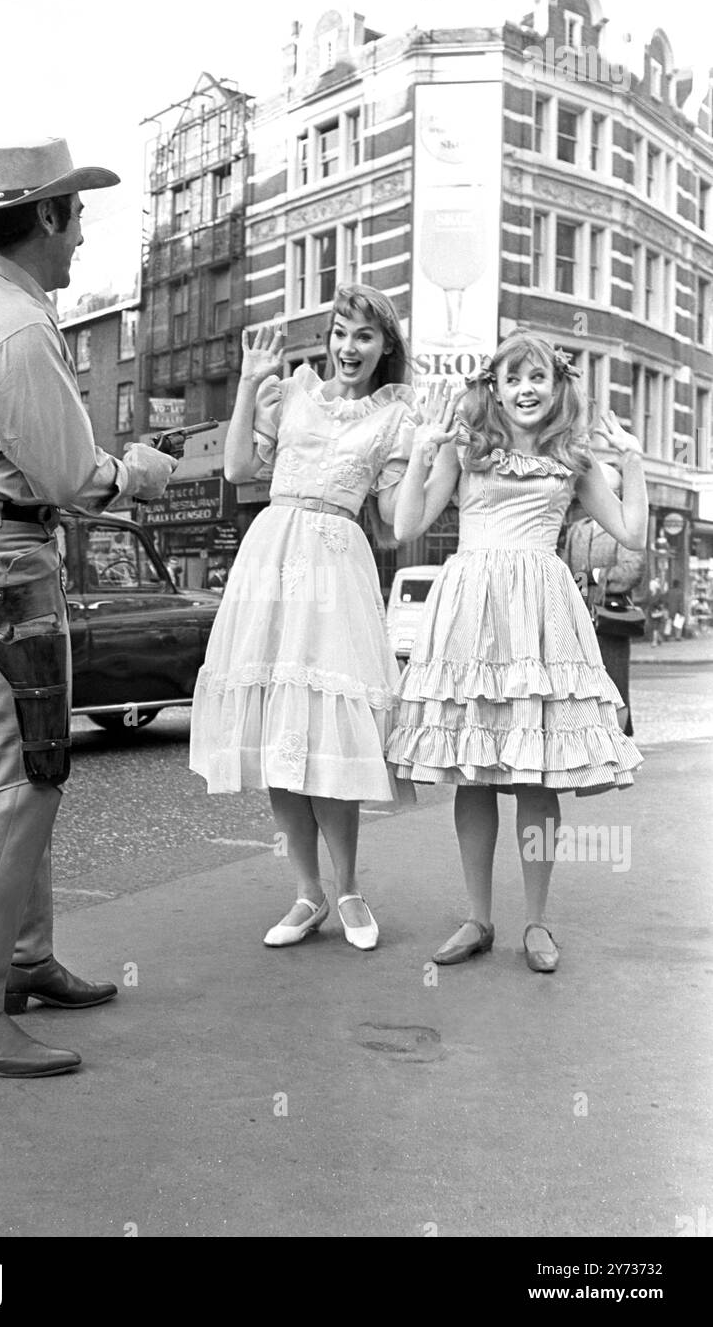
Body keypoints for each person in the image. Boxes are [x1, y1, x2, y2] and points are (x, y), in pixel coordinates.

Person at [0, 138, 178, 1077]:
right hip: (2, 566)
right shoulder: (16, 325)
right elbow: (68, 472)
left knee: (12, 761)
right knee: (24, 782)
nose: (82, 238)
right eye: (78, 217)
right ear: (47, 216)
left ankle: (22, 958)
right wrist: (137, 471)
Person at [387, 331, 648, 973]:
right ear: (494, 390)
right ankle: (478, 918)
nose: (526, 389)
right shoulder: (468, 448)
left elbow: (632, 533)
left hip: (542, 619)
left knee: (535, 773)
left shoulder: (574, 460)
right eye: (513, 379)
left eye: (538, 378)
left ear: (557, 387)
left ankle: (536, 922)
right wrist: (422, 454)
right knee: (474, 773)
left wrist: (634, 463)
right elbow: (405, 527)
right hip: (471, 616)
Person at [190, 284, 416, 951]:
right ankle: (305, 894)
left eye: (365, 337)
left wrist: (432, 453)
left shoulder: (396, 417)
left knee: (330, 737)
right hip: (272, 559)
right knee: (279, 732)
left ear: (385, 348)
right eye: (341, 333)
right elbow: (236, 467)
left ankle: (347, 890)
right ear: (328, 339)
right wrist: (248, 383)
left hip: (338, 561)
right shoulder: (291, 391)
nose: (350, 347)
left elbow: (400, 526)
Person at [562, 464, 646, 735]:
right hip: (577, 616)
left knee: (614, 679)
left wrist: (595, 574)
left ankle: (617, 737)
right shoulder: (577, 529)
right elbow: (566, 570)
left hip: (610, 618)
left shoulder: (624, 530)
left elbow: (631, 572)